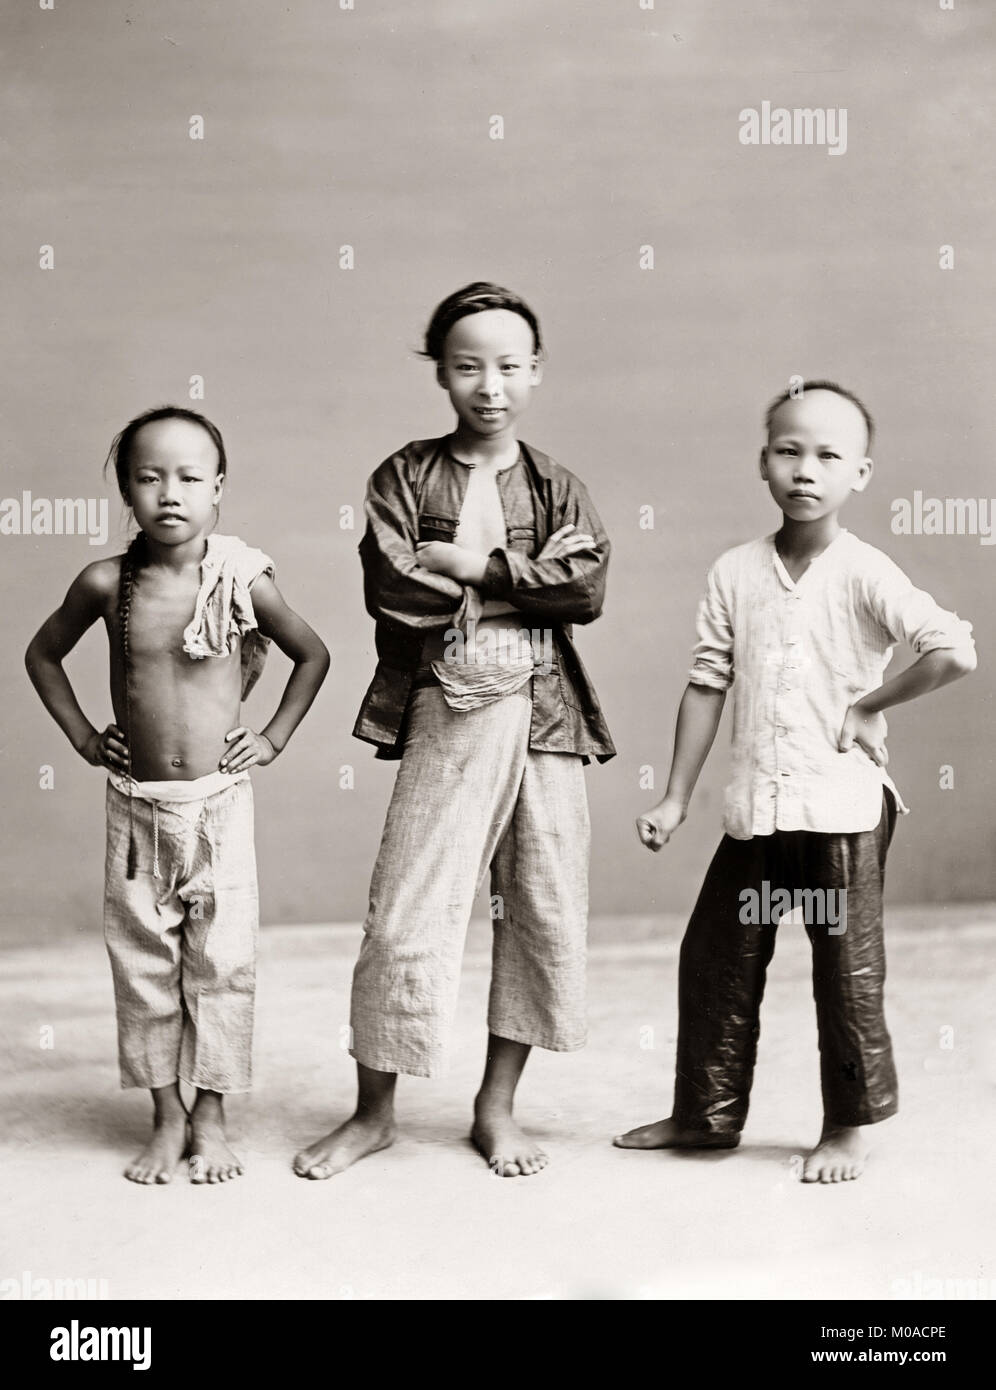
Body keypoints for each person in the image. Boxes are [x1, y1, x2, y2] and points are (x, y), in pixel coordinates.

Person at [295, 282, 614, 1180]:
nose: (491, 384)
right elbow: (393, 588)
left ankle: (497, 1108)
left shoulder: (557, 485)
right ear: (440, 371)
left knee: (541, 906)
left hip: (547, 714)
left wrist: (477, 568)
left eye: (510, 366)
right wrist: (525, 583)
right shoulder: (403, 475)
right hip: (446, 698)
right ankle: (372, 1113)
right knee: (407, 908)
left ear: (537, 373)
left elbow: (586, 590)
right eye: (469, 364)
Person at [619, 382, 976, 1183]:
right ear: (763, 462)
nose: (805, 470)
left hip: (840, 815)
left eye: (827, 456)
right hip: (758, 814)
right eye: (788, 450)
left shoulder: (863, 572)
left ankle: (847, 1127)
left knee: (842, 966)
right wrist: (676, 797)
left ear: (862, 474)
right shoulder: (735, 572)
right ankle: (704, 1117)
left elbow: (953, 651)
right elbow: (707, 682)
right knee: (717, 955)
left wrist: (868, 704)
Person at [25, 406, 330, 1185]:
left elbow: (312, 653)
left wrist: (273, 737)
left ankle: (213, 1118)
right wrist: (85, 739)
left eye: (190, 478)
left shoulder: (239, 578)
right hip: (136, 803)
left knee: (223, 964)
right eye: (149, 476)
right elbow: (42, 654)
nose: (170, 493)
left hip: (219, 804)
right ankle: (165, 1116)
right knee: (143, 966)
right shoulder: (106, 582)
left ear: (219, 489)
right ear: (126, 489)